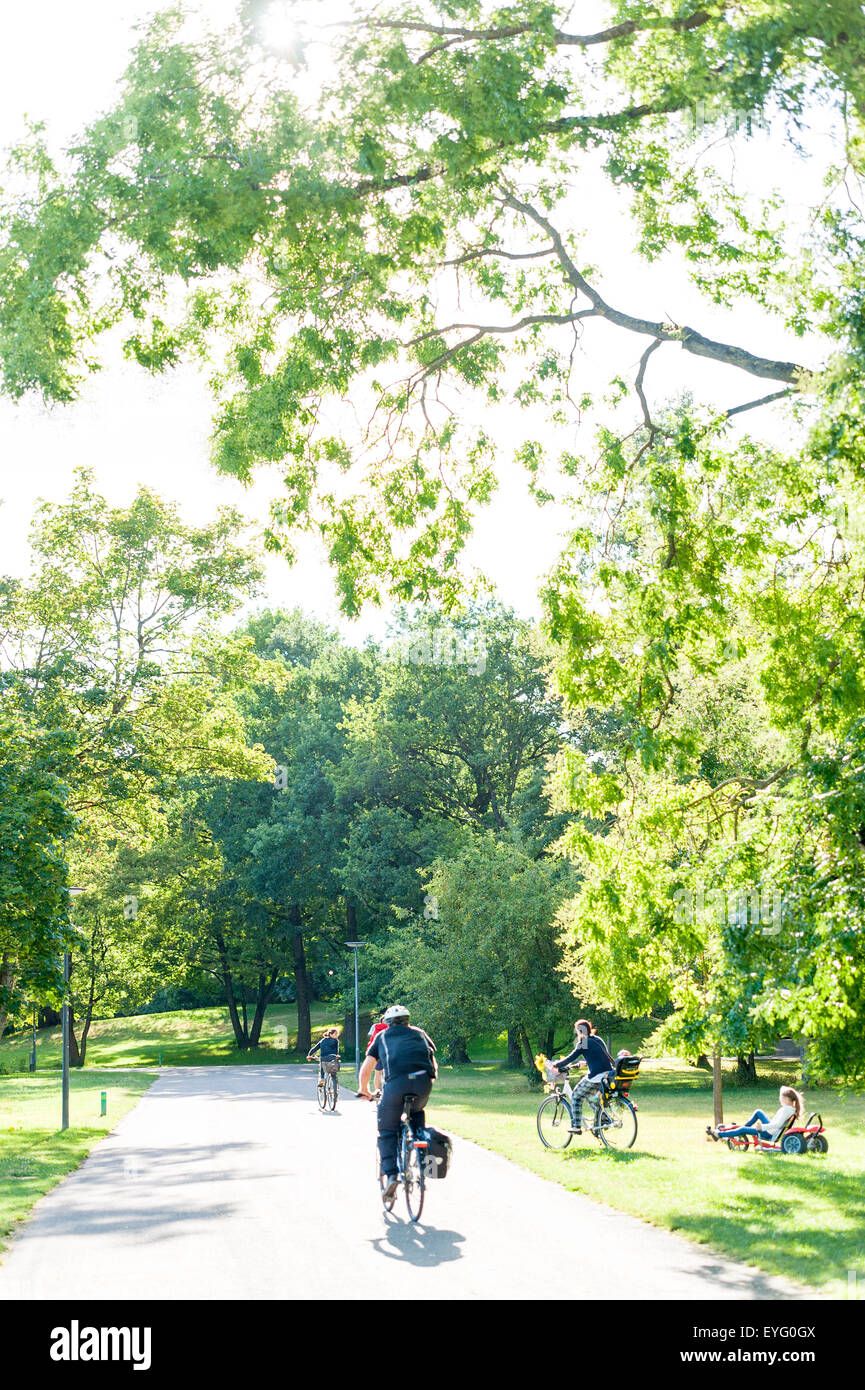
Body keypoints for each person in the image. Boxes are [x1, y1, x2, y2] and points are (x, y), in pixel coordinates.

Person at [357, 1004, 438, 1203]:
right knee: (417, 1113)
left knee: (387, 1130)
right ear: (407, 1020)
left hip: (395, 1085)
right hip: (422, 1082)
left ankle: (392, 1176)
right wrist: (429, 1081)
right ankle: (421, 1150)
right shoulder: (420, 1034)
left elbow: (367, 1068)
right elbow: (433, 1061)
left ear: (387, 1022)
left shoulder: (381, 1037)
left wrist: (364, 1090)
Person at [550, 1018, 615, 1134]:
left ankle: (576, 1126)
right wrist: (585, 1063)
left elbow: (571, 1057)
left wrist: (556, 1065)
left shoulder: (584, 1043)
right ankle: (603, 1118)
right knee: (591, 1098)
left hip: (596, 1076)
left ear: (580, 1031)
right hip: (608, 1074)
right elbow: (600, 1056)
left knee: (575, 1096)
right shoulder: (597, 1039)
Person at [707, 1086, 803, 1144]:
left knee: (742, 1130)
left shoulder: (786, 1110)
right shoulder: (790, 1109)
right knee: (758, 1112)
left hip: (768, 1132)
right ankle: (741, 1129)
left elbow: (777, 1124)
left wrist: (762, 1127)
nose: (780, 1099)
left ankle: (719, 1134)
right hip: (771, 1129)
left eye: (781, 1097)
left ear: (786, 1099)